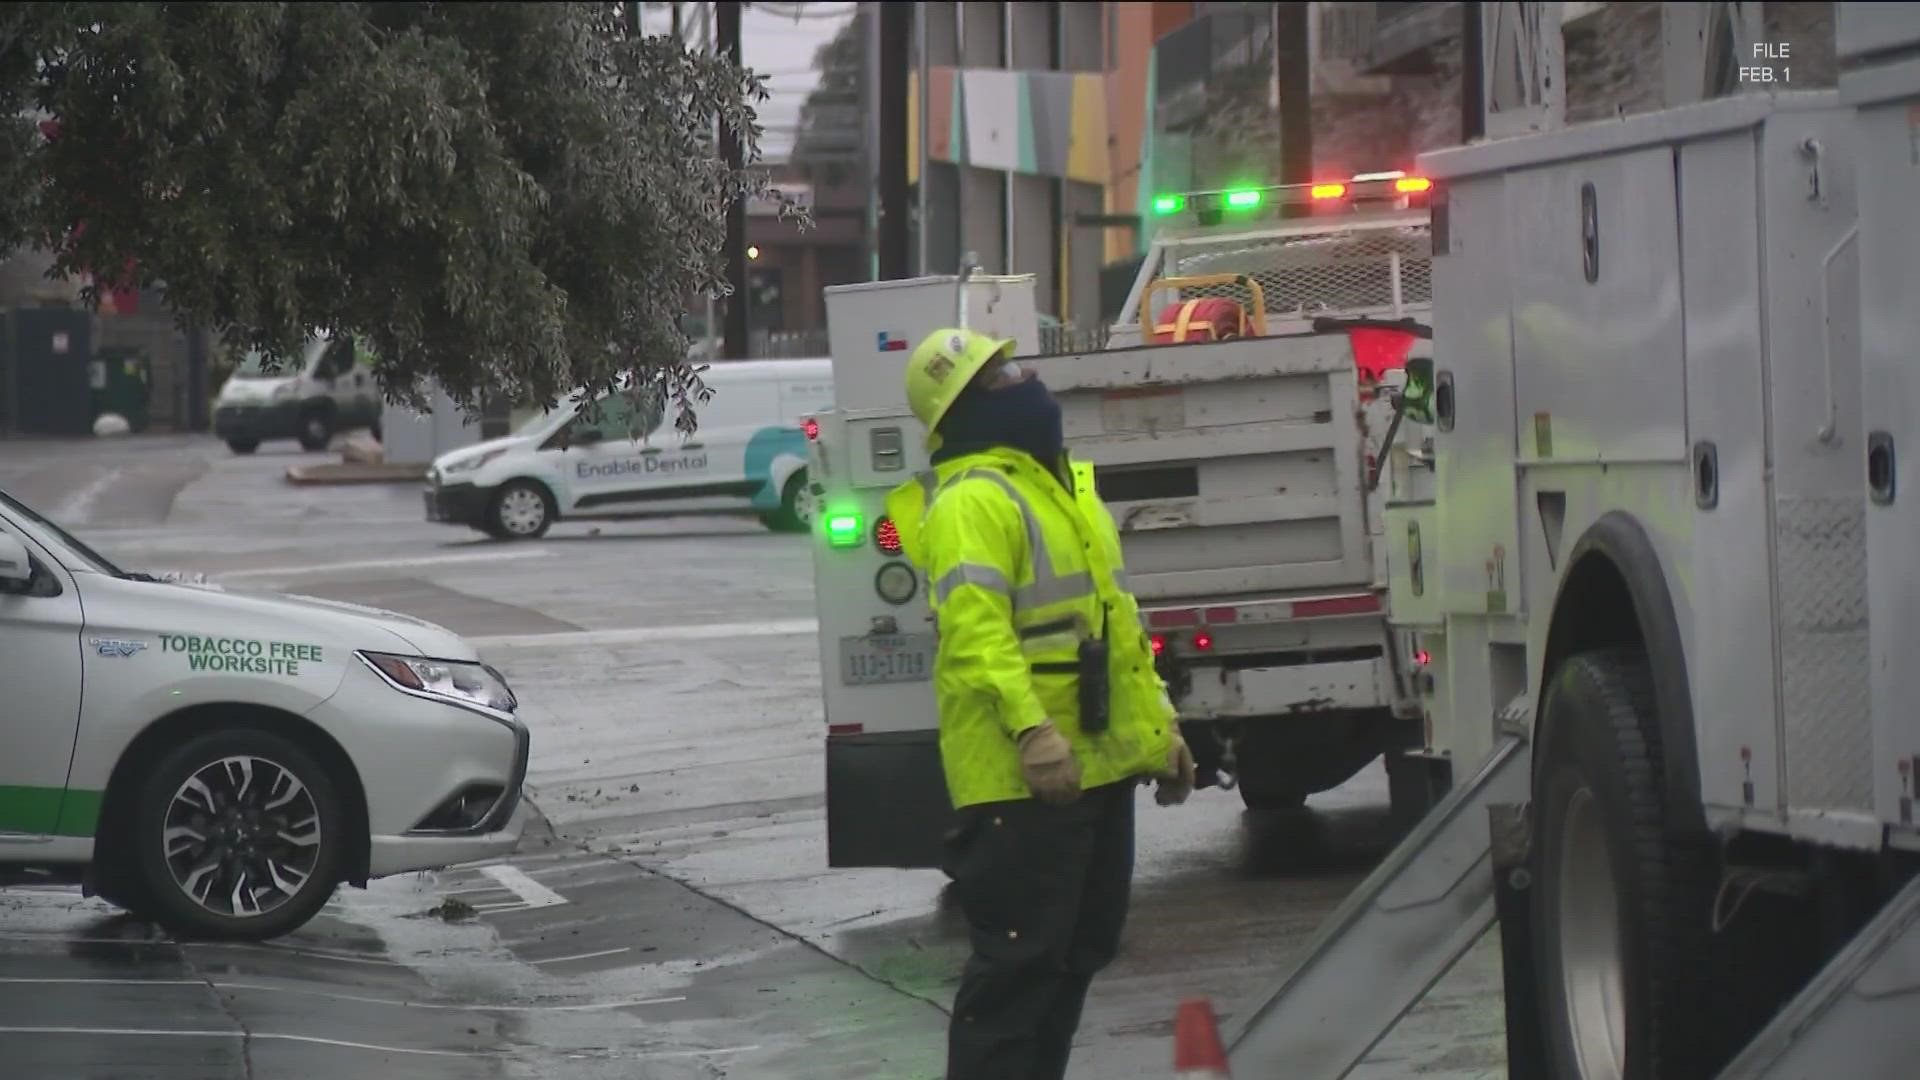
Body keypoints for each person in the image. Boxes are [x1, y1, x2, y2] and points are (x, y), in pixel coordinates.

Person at [884, 326, 1198, 1080]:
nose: (1023, 380)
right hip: (1021, 781)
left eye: (1014, 365)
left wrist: (1162, 734)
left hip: (1090, 772)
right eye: (998, 375)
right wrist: (1031, 731)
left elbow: (1116, 628)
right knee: (1018, 976)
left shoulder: (1057, 491)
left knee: (1075, 957)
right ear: (961, 409)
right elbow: (976, 637)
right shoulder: (972, 500)